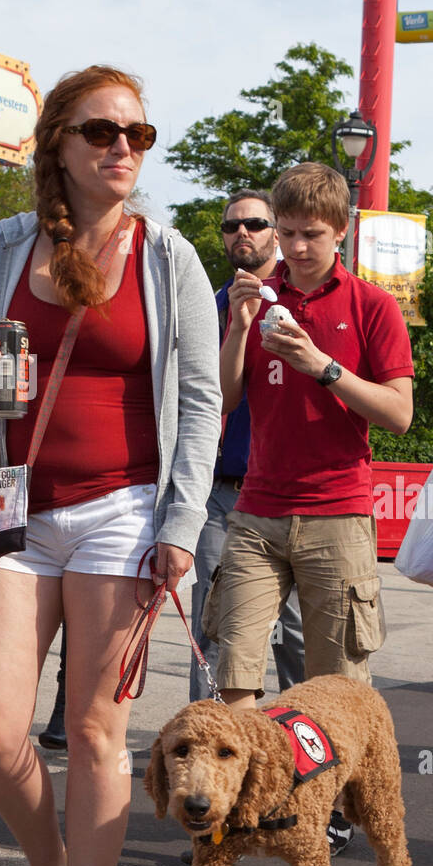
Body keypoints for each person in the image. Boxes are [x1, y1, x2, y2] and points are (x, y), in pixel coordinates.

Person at [0, 65, 221, 866]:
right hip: (13, 510)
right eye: (102, 132)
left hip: (121, 513)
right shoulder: (6, 247)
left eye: (137, 135)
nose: (122, 149)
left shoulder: (168, 256)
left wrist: (180, 521)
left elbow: (201, 399)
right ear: (57, 143)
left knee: (99, 731)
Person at [209, 163, 413, 751]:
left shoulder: (373, 305)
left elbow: (399, 415)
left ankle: (331, 808)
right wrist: (239, 328)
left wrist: (322, 367)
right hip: (255, 509)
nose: (296, 247)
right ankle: (248, 803)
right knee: (235, 675)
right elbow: (225, 398)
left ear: (341, 230)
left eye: (311, 235)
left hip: (338, 512)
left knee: (336, 685)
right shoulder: (255, 299)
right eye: (287, 232)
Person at [190, 189, 304, 705]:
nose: (242, 233)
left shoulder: (303, 299)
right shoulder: (206, 307)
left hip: (295, 494)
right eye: (232, 226)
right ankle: (208, 749)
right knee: (215, 628)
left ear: (276, 233)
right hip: (223, 494)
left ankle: (311, 754)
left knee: (299, 642)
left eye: (255, 224)